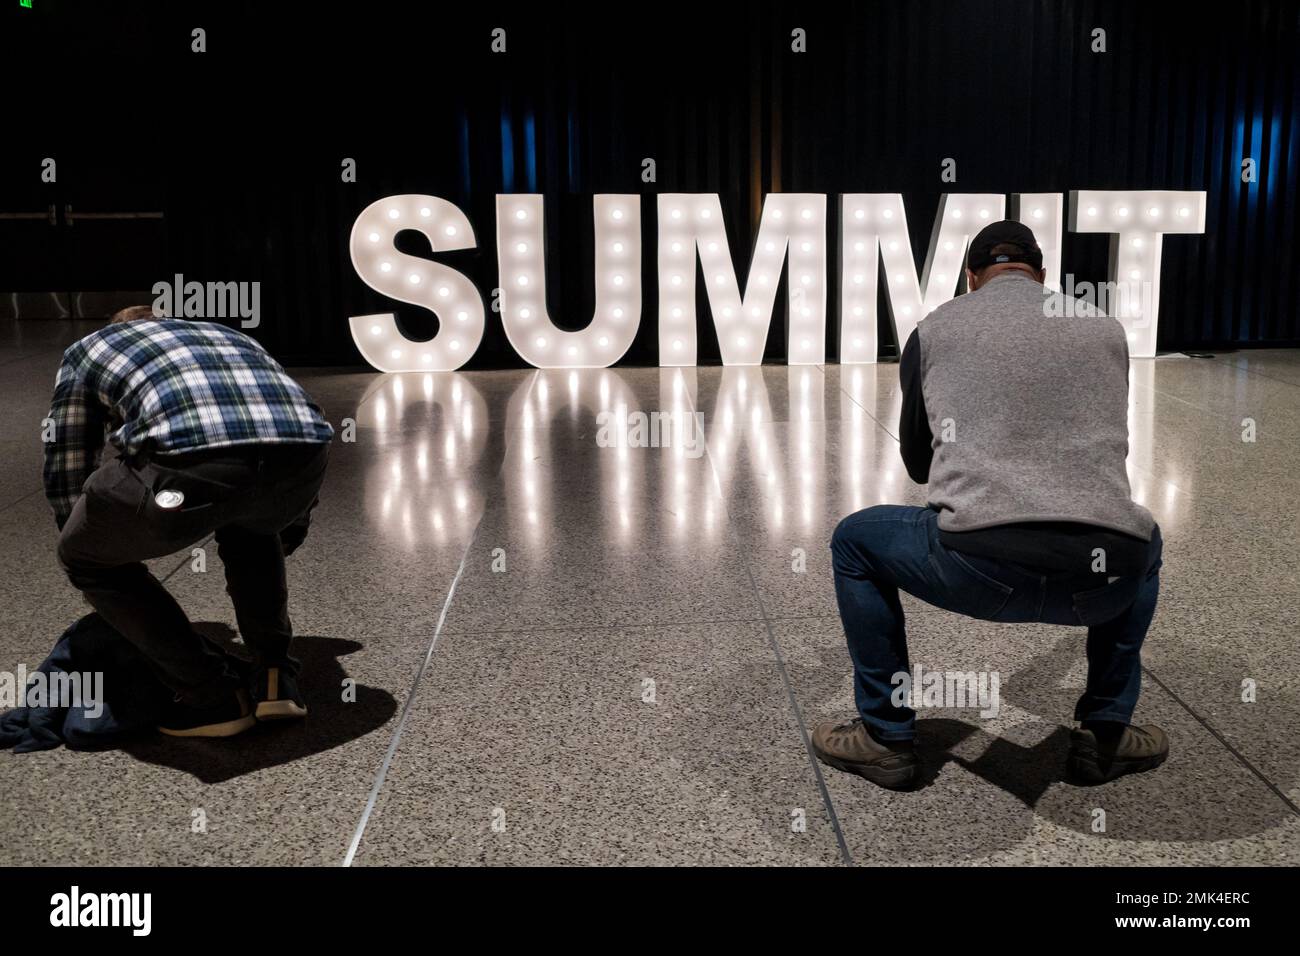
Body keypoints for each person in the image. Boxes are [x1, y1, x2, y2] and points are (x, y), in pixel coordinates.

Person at [813, 221, 1165, 790]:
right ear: (1041, 274)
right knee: (1144, 539)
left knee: (855, 538)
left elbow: (920, 464)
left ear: (972, 277)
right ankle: (1106, 734)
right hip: (1104, 573)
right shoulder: (1105, 327)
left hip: (979, 565)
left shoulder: (936, 328)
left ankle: (885, 737)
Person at [44, 305, 334, 737]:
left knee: (84, 558)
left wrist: (87, 538)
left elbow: (69, 452)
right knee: (254, 527)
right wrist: (286, 526)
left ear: (119, 328)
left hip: (190, 470)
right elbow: (286, 420)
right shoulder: (227, 335)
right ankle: (275, 677)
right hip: (306, 458)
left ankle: (212, 696)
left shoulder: (90, 347)